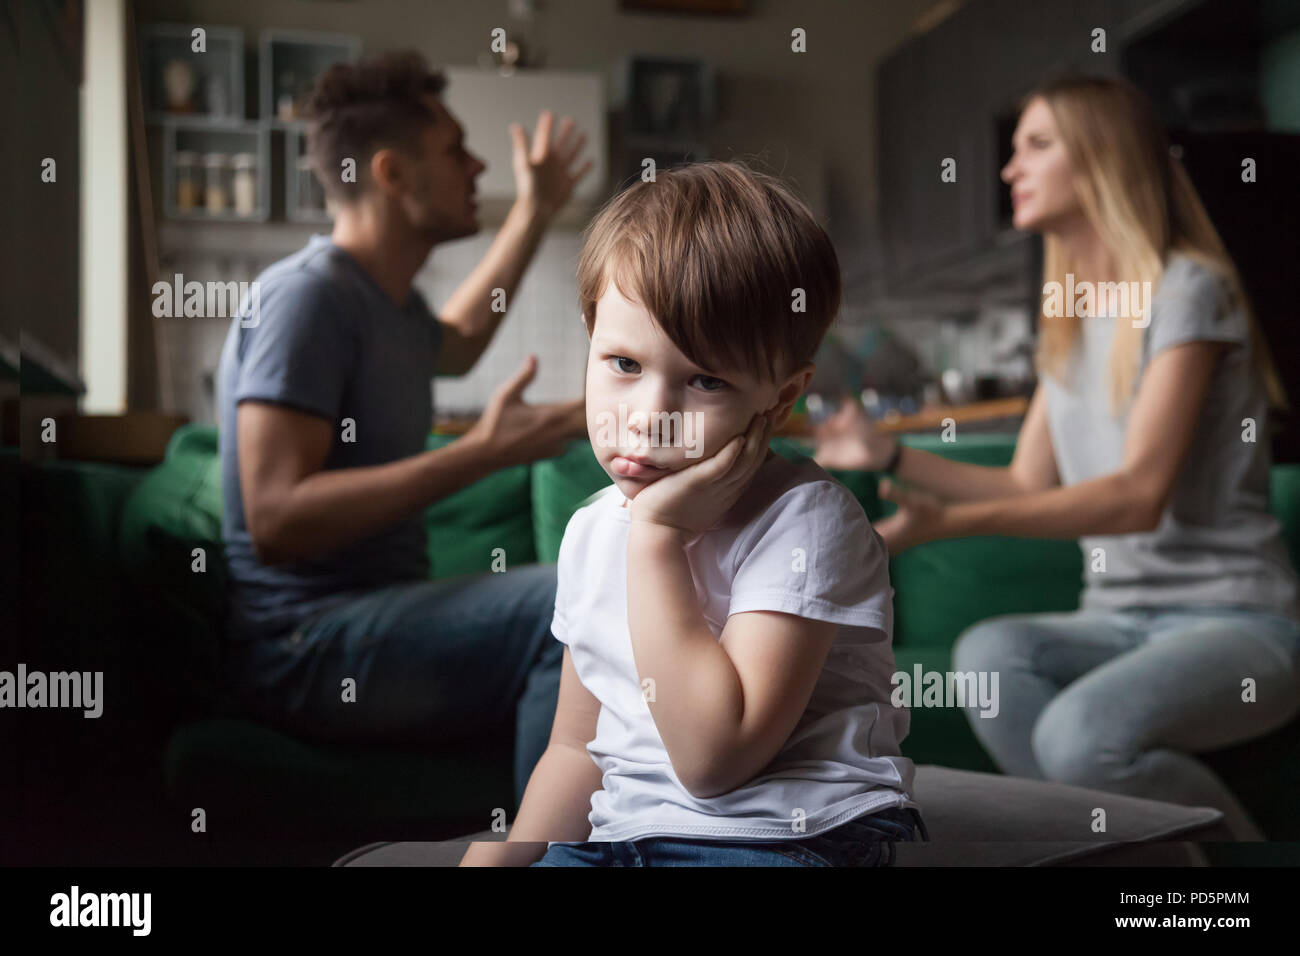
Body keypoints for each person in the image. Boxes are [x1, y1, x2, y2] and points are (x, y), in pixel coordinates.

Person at [813, 74, 1300, 840]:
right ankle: (1109, 863)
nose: (1010, 170)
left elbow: (1138, 495)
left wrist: (943, 525)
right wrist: (890, 457)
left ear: (1105, 159)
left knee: (1079, 735)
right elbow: (1023, 481)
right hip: (1116, 619)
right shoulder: (1069, 322)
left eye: (1037, 145)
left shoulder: (1185, 292)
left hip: (1235, 622)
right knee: (990, 653)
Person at [459, 161, 926, 867]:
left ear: (779, 400)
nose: (649, 420)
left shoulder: (806, 521)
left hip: (781, 837)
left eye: (705, 380)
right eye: (622, 364)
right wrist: (499, 860)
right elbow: (575, 747)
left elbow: (715, 758)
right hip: (626, 841)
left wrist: (656, 540)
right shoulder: (592, 530)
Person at [215, 50, 591, 806]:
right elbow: (276, 520)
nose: (478, 164)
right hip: (304, 646)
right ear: (390, 173)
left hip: (367, 628)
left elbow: (462, 338)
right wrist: (482, 456)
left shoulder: (390, 306)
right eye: (455, 149)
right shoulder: (307, 300)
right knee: (570, 608)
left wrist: (537, 210)